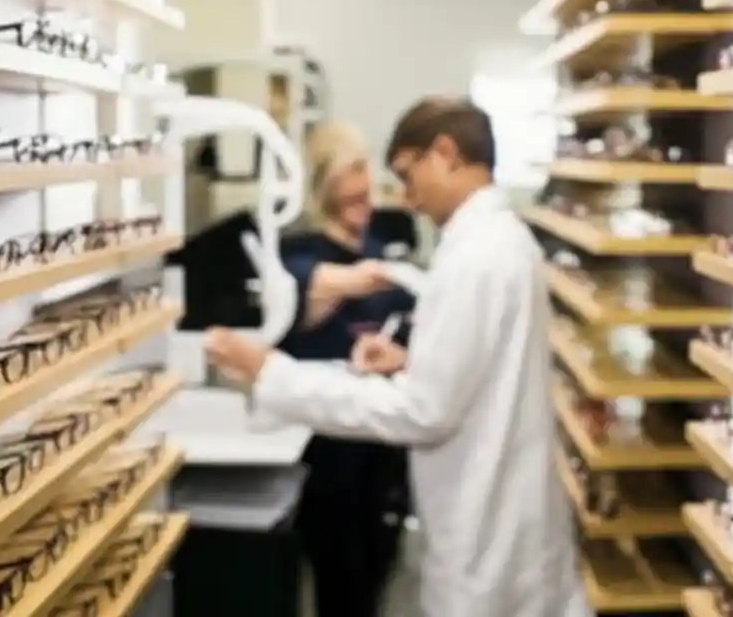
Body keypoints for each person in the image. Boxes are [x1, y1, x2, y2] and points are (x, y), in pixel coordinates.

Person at [206, 96, 591, 617]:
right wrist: (413, 362)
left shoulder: (474, 259)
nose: (406, 200)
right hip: (504, 521)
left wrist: (272, 373)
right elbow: (483, 371)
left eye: (408, 176)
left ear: (446, 153)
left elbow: (421, 412)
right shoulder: (502, 241)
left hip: (484, 535)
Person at [277, 121, 414, 617]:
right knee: (341, 576)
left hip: (378, 439)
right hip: (326, 448)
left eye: (366, 169)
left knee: (377, 565)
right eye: (354, 170)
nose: (366, 185)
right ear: (325, 180)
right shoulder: (300, 255)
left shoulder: (374, 244)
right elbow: (320, 285)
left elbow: (401, 317)